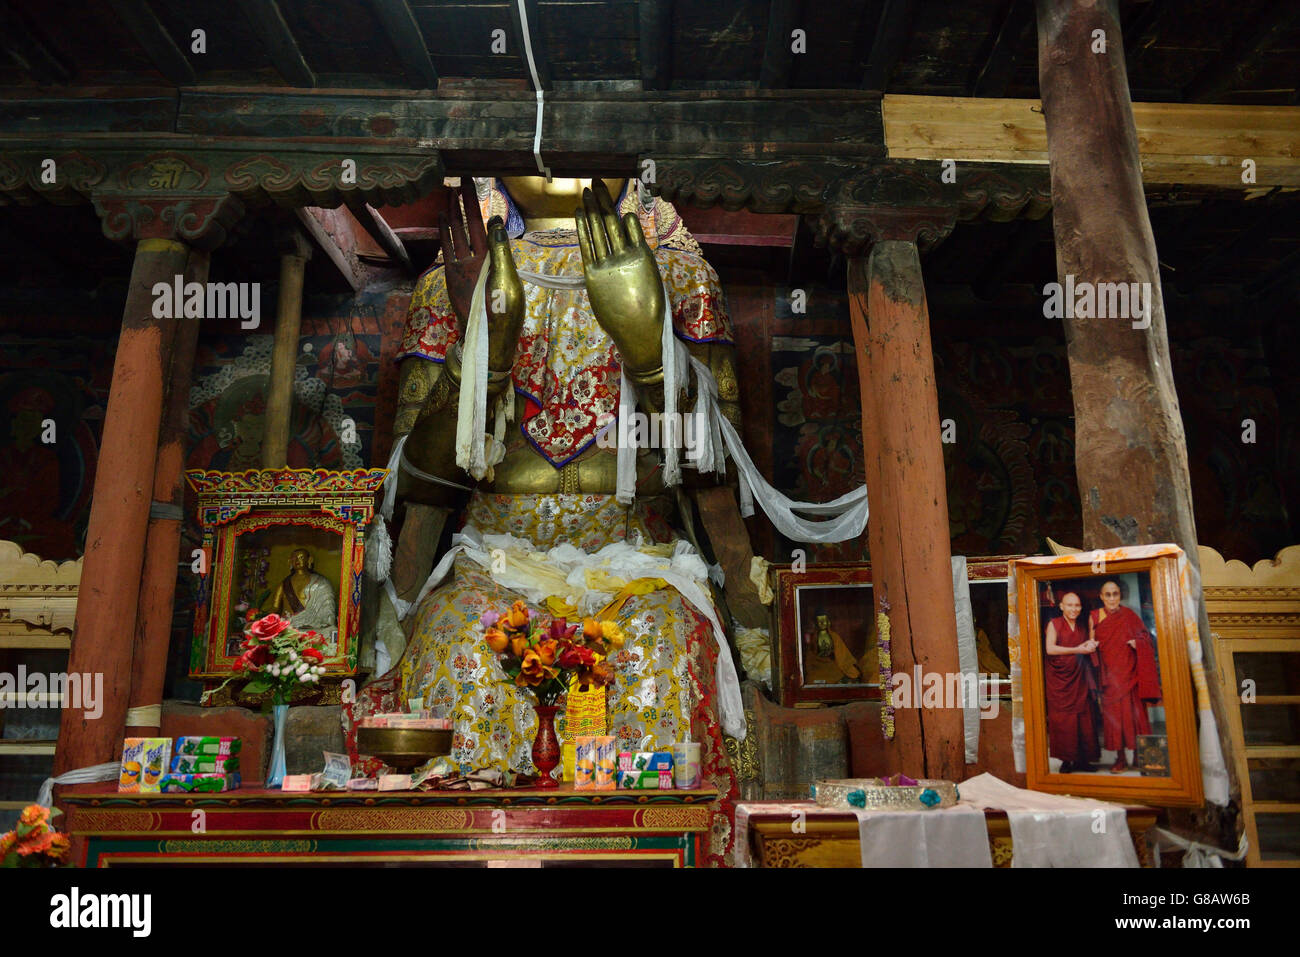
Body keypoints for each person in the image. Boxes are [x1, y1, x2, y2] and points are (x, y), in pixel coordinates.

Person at [355, 178, 742, 865]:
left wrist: (652, 355)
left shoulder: (680, 272)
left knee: (659, 656)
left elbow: (716, 472)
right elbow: (416, 484)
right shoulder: (456, 277)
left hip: (636, 564)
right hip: (496, 563)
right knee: (458, 647)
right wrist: (487, 354)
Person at [1089, 580, 1160, 773]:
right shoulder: (1094, 616)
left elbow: (1146, 638)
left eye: (1115, 594)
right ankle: (1120, 758)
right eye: (1108, 594)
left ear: (1120, 595)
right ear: (1102, 597)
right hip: (1109, 677)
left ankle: (1138, 756)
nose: (1112, 598)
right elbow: (1091, 645)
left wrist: (1139, 644)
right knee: (1116, 720)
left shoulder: (1129, 615)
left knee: (1135, 718)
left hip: (1130, 675)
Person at [1043, 591, 1099, 772]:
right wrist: (1077, 649)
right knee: (1064, 721)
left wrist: (1091, 645)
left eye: (1077, 605)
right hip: (1061, 680)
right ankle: (1067, 761)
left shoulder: (1083, 625)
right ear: (1061, 606)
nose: (1074, 609)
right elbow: (1050, 649)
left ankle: (1083, 760)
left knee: (1084, 718)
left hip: (1079, 678)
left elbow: (1089, 645)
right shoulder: (1054, 624)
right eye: (1069, 605)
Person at [270, 548, 338, 651]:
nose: (297, 560)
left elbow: (328, 608)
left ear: (309, 560)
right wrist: (267, 620)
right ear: (290, 561)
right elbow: (275, 608)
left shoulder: (321, 583)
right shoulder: (284, 584)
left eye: (301, 557)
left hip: (315, 627)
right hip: (290, 627)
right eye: (294, 558)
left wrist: (316, 619)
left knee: (332, 631)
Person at [803, 611, 860, 684]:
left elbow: (843, 660)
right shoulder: (813, 637)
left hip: (831, 673)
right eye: (819, 621)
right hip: (818, 675)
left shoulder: (833, 637)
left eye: (824, 621)